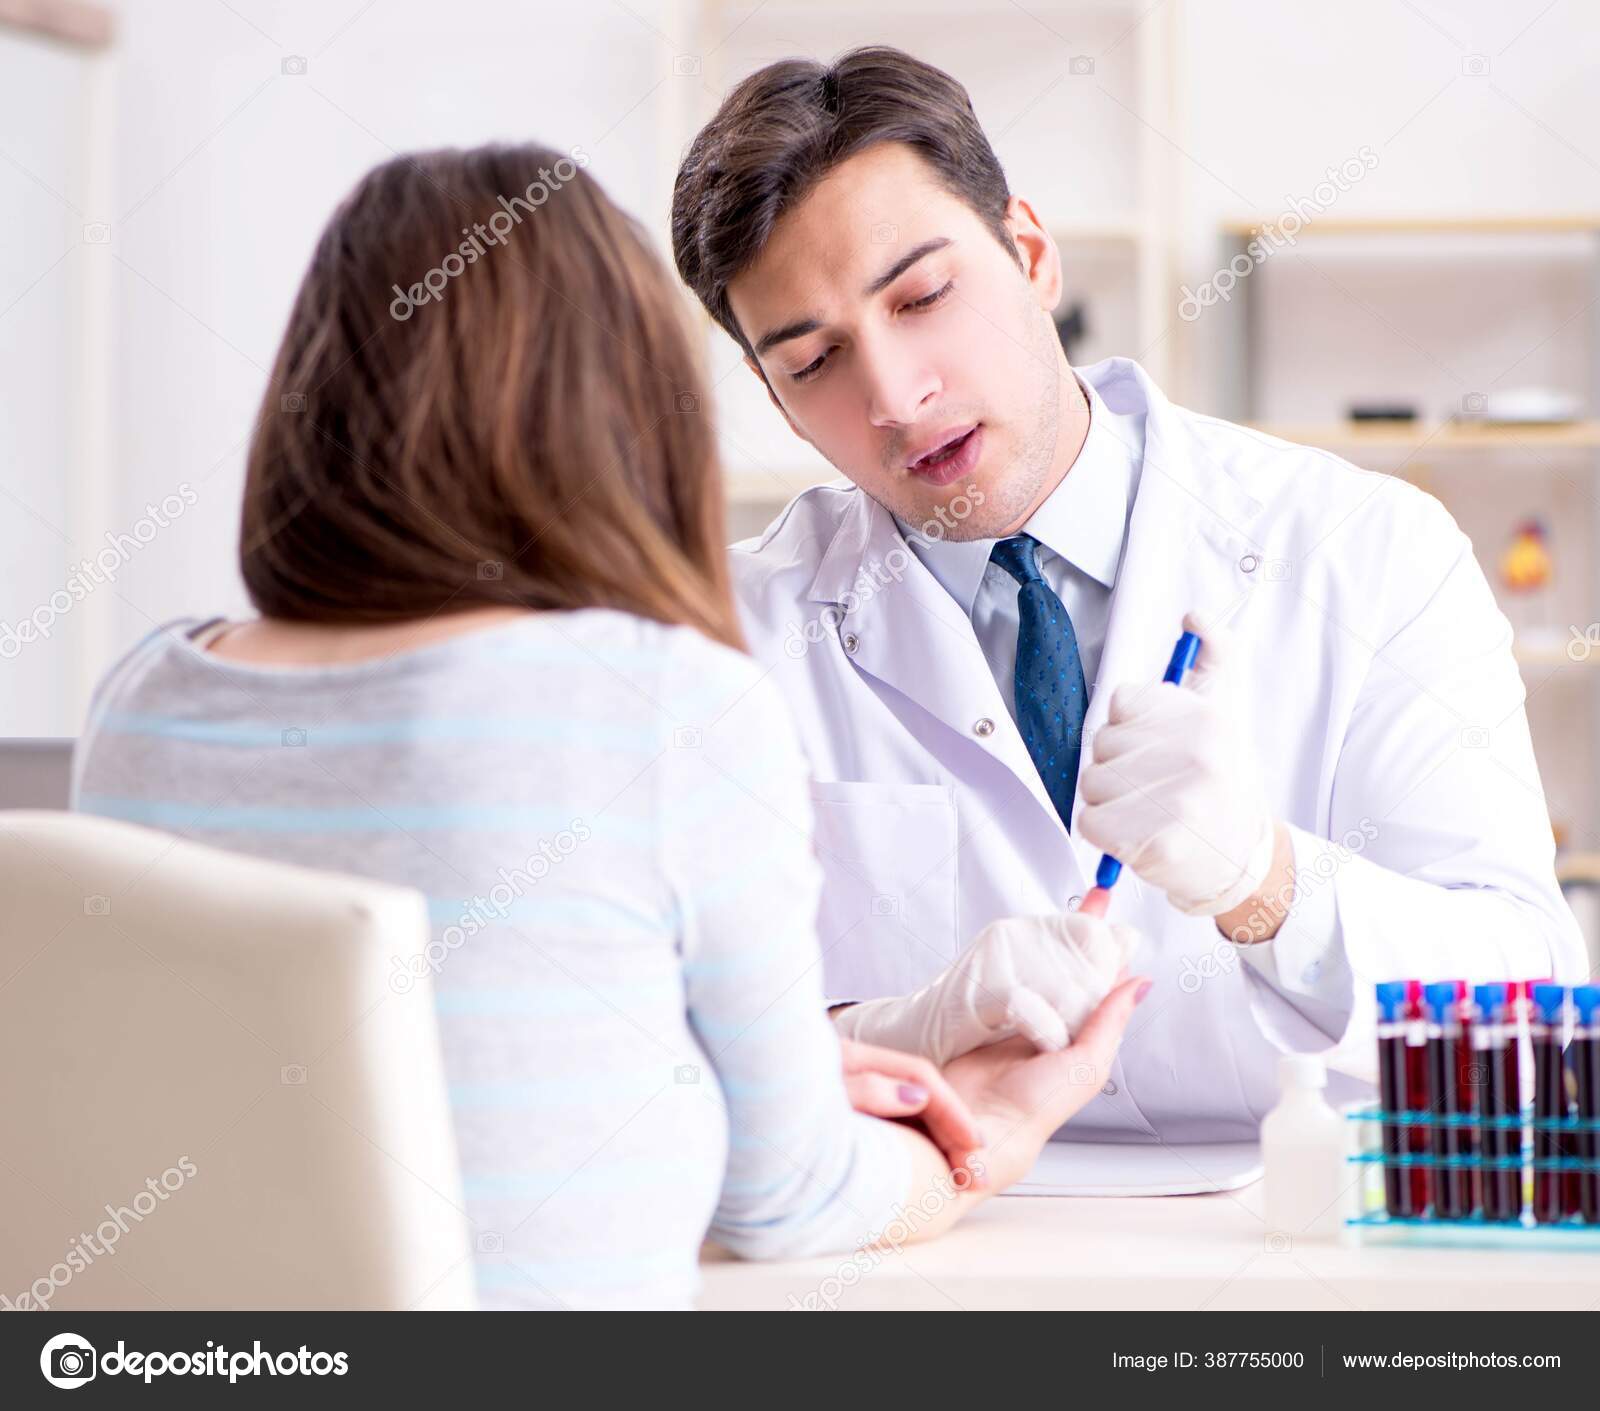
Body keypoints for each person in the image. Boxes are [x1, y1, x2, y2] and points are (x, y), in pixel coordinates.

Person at [70, 145, 1149, 1310]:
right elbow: (786, 1198)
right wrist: (988, 1132)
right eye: (810, 359)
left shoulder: (145, 699)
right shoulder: (664, 701)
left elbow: (363, 1090)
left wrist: (704, 1087)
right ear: (623, 408)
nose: (890, 392)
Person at [669, 46, 1586, 1136]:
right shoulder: (729, 632)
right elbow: (655, 1057)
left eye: (922, 296)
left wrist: (1268, 881)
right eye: (814, 362)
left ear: (1030, 256)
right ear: (774, 400)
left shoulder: (1368, 549)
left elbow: (1530, 1019)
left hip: (1306, 1220)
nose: (896, 397)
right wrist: (890, 1032)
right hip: (946, 1229)